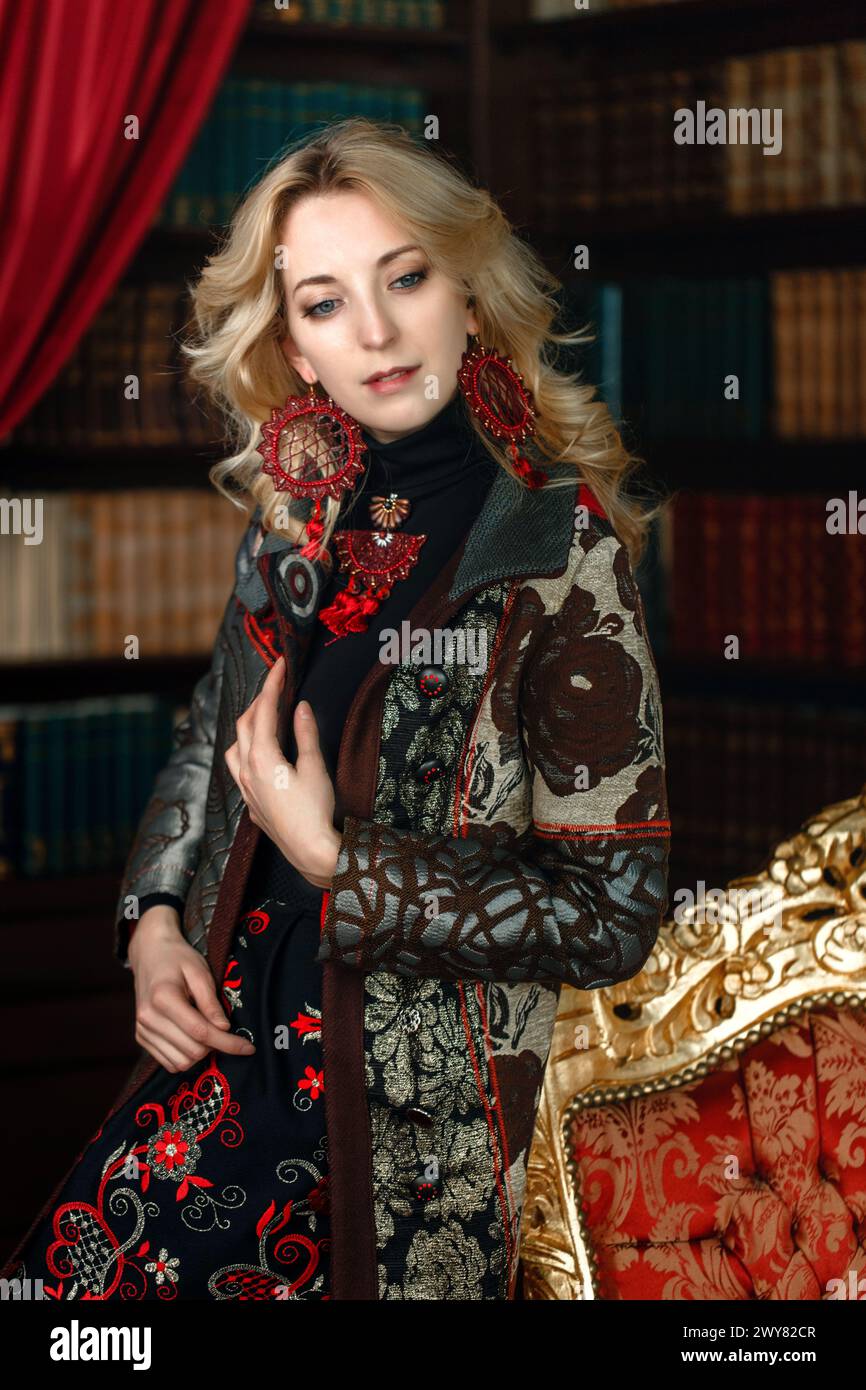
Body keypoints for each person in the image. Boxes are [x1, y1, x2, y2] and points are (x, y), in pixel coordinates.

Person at [1, 116, 671, 1301]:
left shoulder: (560, 550)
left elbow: (610, 916)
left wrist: (333, 856)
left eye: (404, 278)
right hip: (215, 1069)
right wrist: (151, 923)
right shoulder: (296, 521)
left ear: (466, 292)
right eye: (322, 302)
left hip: (392, 1147)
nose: (373, 331)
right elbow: (212, 746)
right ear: (295, 347)